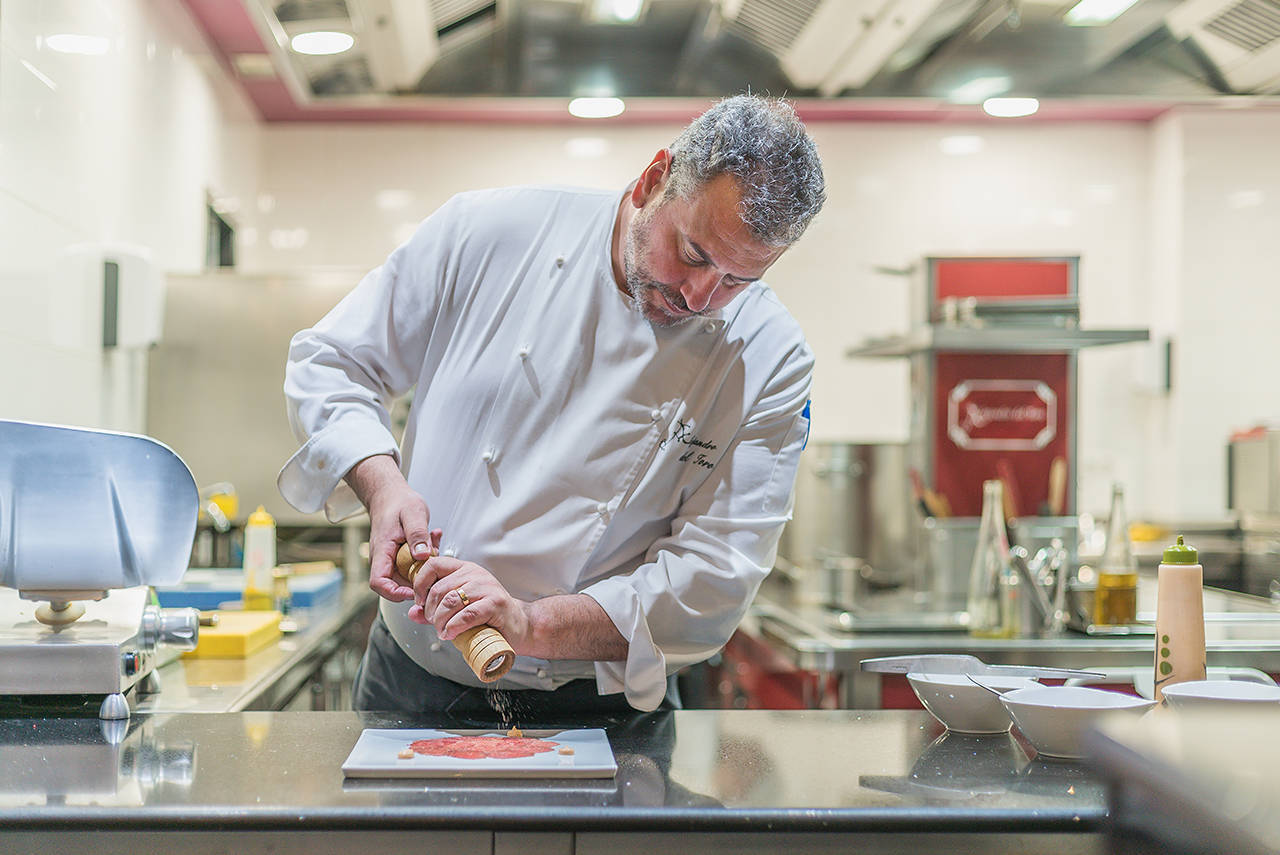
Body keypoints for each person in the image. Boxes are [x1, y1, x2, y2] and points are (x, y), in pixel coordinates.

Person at [278, 94, 826, 718]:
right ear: (653, 179)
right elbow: (331, 360)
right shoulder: (492, 232)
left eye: (738, 281)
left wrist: (531, 624)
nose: (701, 296)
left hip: (603, 706)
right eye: (694, 254)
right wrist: (383, 487)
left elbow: (713, 582)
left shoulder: (770, 355)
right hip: (414, 678)